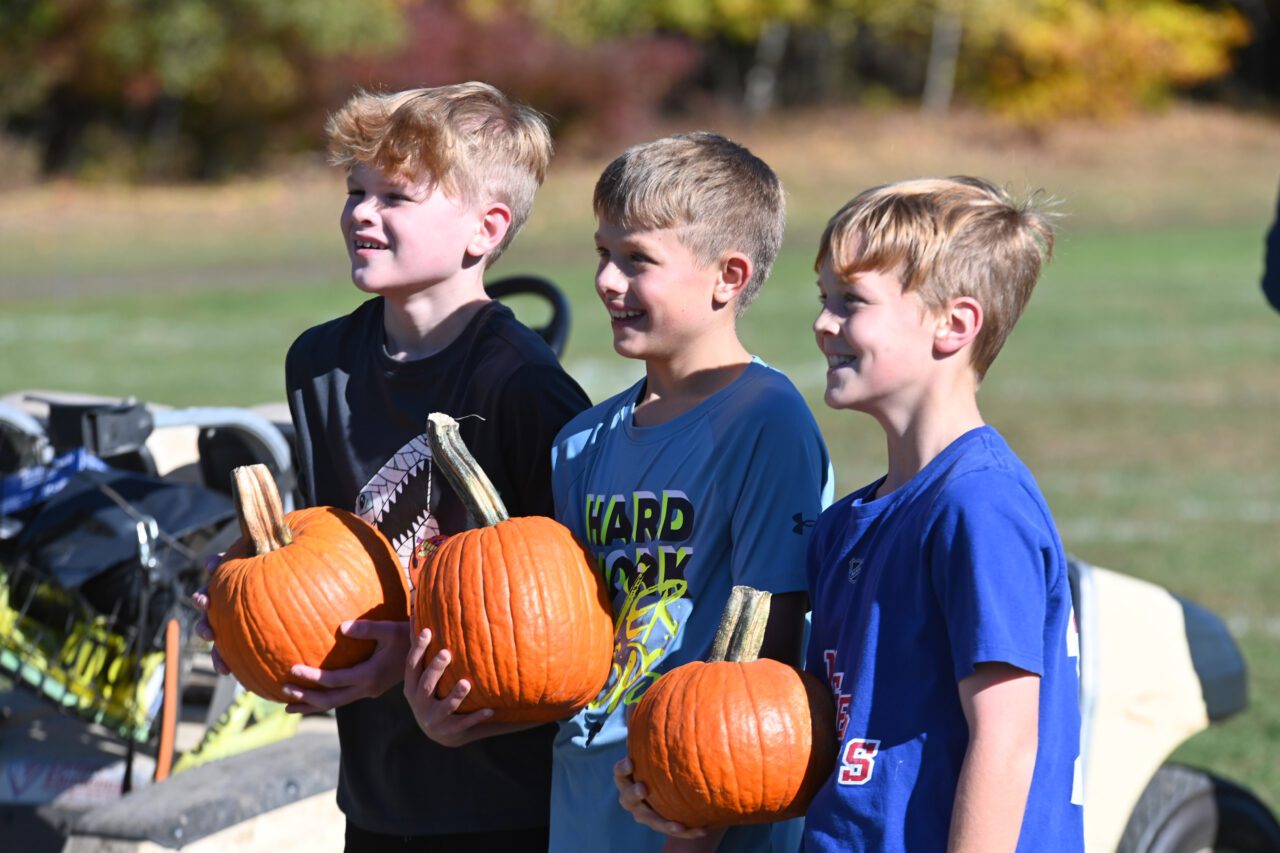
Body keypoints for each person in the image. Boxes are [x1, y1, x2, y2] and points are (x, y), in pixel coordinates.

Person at [195, 82, 591, 851]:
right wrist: (256, 589)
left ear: (486, 228)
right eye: (355, 191)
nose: (361, 214)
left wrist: (407, 647)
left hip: (502, 797)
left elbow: (565, 613)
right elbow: (331, 550)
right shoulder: (319, 362)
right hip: (376, 787)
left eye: (396, 197)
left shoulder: (523, 385)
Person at [550, 132, 833, 852]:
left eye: (638, 259)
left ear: (727, 277)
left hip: (702, 808)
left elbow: (770, 632)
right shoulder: (582, 439)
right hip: (589, 793)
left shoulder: (764, 421)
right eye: (602, 253)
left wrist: (696, 823)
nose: (609, 281)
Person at [801, 177, 1084, 851]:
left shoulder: (978, 505)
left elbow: (1005, 739)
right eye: (825, 299)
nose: (822, 322)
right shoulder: (845, 523)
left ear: (954, 325)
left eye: (853, 302)